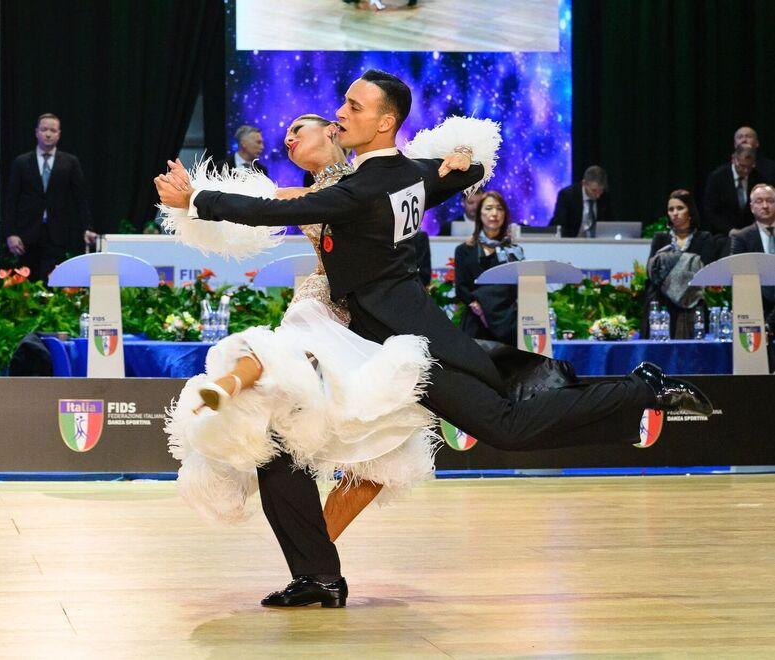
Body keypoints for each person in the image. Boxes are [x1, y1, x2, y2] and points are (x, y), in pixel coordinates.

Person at [156, 69, 713, 609]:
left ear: (383, 123)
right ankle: (318, 577)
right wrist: (464, 165)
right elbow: (441, 178)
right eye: (341, 105)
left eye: (352, 107)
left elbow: (280, 208)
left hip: (404, 347)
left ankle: (640, 389)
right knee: (282, 439)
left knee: (505, 428)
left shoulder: (363, 186)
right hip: (364, 342)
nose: (340, 113)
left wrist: (195, 200)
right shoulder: (405, 172)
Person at [3, 113, 96, 282]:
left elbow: (80, 198)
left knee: (54, 281)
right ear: (36, 132)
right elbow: (11, 200)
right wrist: (11, 233)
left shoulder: (69, 162)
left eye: (52, 130)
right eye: (44, 129)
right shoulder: (22, 162)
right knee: (27, 283)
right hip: (27, 234)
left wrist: (87, 227)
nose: (48, 134)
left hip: (57, 233)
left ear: (59, 134)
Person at [643, 190, 716, 339]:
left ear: (690, 211)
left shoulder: (704, 238)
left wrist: (670, 264)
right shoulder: (660, 238)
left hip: (693, 303)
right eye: (671, 209)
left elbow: (704, 270)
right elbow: (652, 270)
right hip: (662, 302)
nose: (675, 213)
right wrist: (686, 263)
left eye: (680, 208)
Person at [454, 191, 522, 344]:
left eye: (499, 208)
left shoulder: (514, 251)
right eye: (489, 208)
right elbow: (461, 287)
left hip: (508, 324)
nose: (494, 213)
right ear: (479, 214)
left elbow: (518, 288)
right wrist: (479, 308)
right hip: (475, 321)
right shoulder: (464, 250)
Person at [730, 183, 775, 370]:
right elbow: (738, 278)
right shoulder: (741, 237)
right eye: (759, 201)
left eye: (770, 201)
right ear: (751, 207)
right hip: (757, 313)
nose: (765, 205)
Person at [702, 144, 761, 248]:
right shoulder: (717, 177)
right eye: (742, 166)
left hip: (750, 235)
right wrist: (730, 230)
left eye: (749, 167)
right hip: (723, 235)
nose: (746, 171)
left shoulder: (758, 177)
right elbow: (710, 211)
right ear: (733, 159)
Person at [550, 165, 615, 238]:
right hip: (571, 243)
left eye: (601, 191)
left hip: (598, 245)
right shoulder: (567, 196)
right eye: (594, 191)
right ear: (584, 183)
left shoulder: (605, 197)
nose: (598, 196)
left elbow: (610, 223)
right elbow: (560, 225)